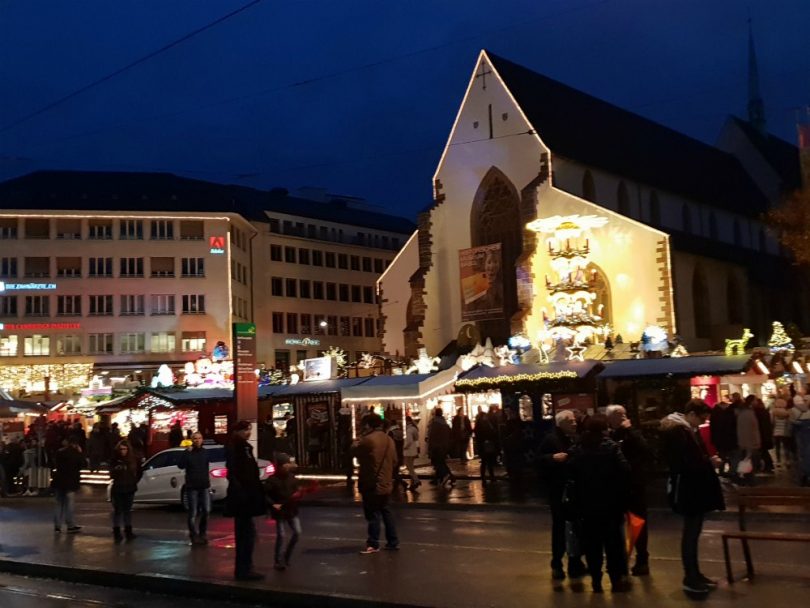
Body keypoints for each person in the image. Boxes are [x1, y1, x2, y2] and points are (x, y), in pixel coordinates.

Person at [661, 400, 725, 595]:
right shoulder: (679, 432)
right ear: (691, 414)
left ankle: (695, 574)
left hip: (693, 489)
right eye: (701, 418)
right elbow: (686, 463)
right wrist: (709, 462)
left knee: (693, 532)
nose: (702, 423)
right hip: (689, 491)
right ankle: (690, 576)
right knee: (690, 533)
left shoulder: (686, 430)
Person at [567, 415, 631, 593]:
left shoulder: (578, 448)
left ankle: (596, 579)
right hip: (611, 504)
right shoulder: (611, 447)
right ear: (604, 430)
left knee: (591, 544)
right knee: (613, 544)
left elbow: (569, 471)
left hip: (586, 505)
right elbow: (625, 470)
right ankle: (615, 579)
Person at [538, 410, 586, 581]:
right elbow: (539, 461)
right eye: (571, 421)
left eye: (574, 421)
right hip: (559, 491)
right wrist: (552, 458)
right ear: (562, 423)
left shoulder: (574, 438)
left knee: (575, 527)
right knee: (560, 528)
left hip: (573, 491)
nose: (574, 424)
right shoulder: (551, 439)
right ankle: (557, 563)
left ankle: (575, 562)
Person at [606, 405, 651, 576]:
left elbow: (645, 449)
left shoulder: (632, 433)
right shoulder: (610, 435)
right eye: (619, 415)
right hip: (617, 486)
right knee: (617, 524)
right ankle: (621, 559)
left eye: (624, 413)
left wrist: (630, 429)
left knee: (637, 522)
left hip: (634, 485)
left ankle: (642, 559)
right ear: (610, 418)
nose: (623, 417)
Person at [351, 413, 399, 553]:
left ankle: (373, 543)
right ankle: (393, 541)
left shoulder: (367, 440)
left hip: (371, 482)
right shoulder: (389, 440)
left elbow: (353, 452)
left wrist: (355, 443)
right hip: (386, 482)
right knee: (386, 511)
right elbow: (395, 461)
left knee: (373, 514)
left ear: (368, 425)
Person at [225, 420, 266, 580]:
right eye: (245, 430)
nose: (248, 433)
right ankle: (244, 569)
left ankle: (245, 568)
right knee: (245, 535)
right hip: (243, 497)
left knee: (247, 534)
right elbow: (237, 473)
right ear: (238, 431)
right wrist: (243, 491)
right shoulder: (238, 447)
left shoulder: (242, 447)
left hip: (245, 495)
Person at [265, 453, 303, 570]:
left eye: (288, 464)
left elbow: (297, 491)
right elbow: (265, 495)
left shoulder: (292, 478)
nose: (287, 466)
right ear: (280, 466)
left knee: (297, 532)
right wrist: (273, 505)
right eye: (285, 464)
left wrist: (299, 495)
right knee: (281, 535)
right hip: (280, 511)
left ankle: (286, 557)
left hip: (291, 510)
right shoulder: (272, 480)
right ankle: (278, 560)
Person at [178, 431, 211, 545]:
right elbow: (180, 465)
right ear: (192, 440)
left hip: (204, 485)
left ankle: (202, 533)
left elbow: (206, 466)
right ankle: (193, 535)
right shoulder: (188, 453)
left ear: (202, 439)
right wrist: (186, 453)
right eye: (195, 438)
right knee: (193, 512)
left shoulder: (205, 452)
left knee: (206, 510)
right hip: (192, 486)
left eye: (199, 438)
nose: (197, 440)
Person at [51, 436, 86, 534]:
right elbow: (83, 464)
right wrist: (80, 452)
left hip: (59, 481)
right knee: (69, 504)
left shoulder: (59, 452)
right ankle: (70, 525)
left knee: (59, 504)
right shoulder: (75, 453)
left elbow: (55, 464)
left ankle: (57, 526)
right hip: (70, 482)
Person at [109, 440, 142, 542]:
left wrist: (134, 481)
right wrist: (117, 469)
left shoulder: (133, 460)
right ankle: (117, 532)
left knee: (127, 511)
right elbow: (111, 474)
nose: (123, 451)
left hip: (129, 487)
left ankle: (128, 531)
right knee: (118, 511)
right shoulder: (115, 460)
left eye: (125, 449)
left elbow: (139, 472)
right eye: (121, 449)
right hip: (118, 488)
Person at [709, 396, 738, 476]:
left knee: (722, 455)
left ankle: (722, 471)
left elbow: (713, 427)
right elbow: (729, 427)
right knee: (730, 455)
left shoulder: (714, 413)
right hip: (726, 438)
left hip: (718, 439)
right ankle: (731, 472)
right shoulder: (725, 414)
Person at [427, 407, 455, 486]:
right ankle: (439, 478)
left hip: (437, 446)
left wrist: (430, 447)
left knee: (438, 463)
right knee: (441, 462)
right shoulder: (445, 423)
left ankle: (447, 475)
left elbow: (432, 436)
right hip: (444, 446)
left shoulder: (434, 423)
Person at [736, 396, 761, 485]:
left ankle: (747, 481)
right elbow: (748, 431)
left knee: (749, 465)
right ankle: (748, 483)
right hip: (749, 445)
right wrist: (750, 447)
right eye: (755, 400)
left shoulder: (744, 413)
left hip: (747, 444)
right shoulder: (748, 414)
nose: (757, 402)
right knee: (750, 465)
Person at [474, 407, 498, 483]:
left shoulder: (483, 424)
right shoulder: (484, 425)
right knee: (486, 462)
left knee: (486, 462)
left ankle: (486, 477)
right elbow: (491, 433)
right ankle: (489, 477)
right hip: (485, 445)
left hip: (484, 445)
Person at [771, 390, 793, 466]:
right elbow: (789, 422)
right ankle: (787, 460)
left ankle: (778, 461)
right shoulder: (787, 412)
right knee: (786, 446)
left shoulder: (773, 412)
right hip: (784, 431)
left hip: (776, 432)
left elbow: (772, 422)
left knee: (777, 448)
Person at [752, 397, 774, 473]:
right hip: (766, 434)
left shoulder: (757, 412)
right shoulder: (764, 411)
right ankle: (769, 465)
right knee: (764, 451)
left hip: (761, 435)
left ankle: (768, 466)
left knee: (762, 451)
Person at [402, 416, 421, 491]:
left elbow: (408, 441)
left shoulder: (409, 430)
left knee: (409, 467)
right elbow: (416, 438)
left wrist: (404, 447)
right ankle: (414, 481)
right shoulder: (414, 428)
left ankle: (416, 480)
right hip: (413, 450)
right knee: (411, 467)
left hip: (408, 451)